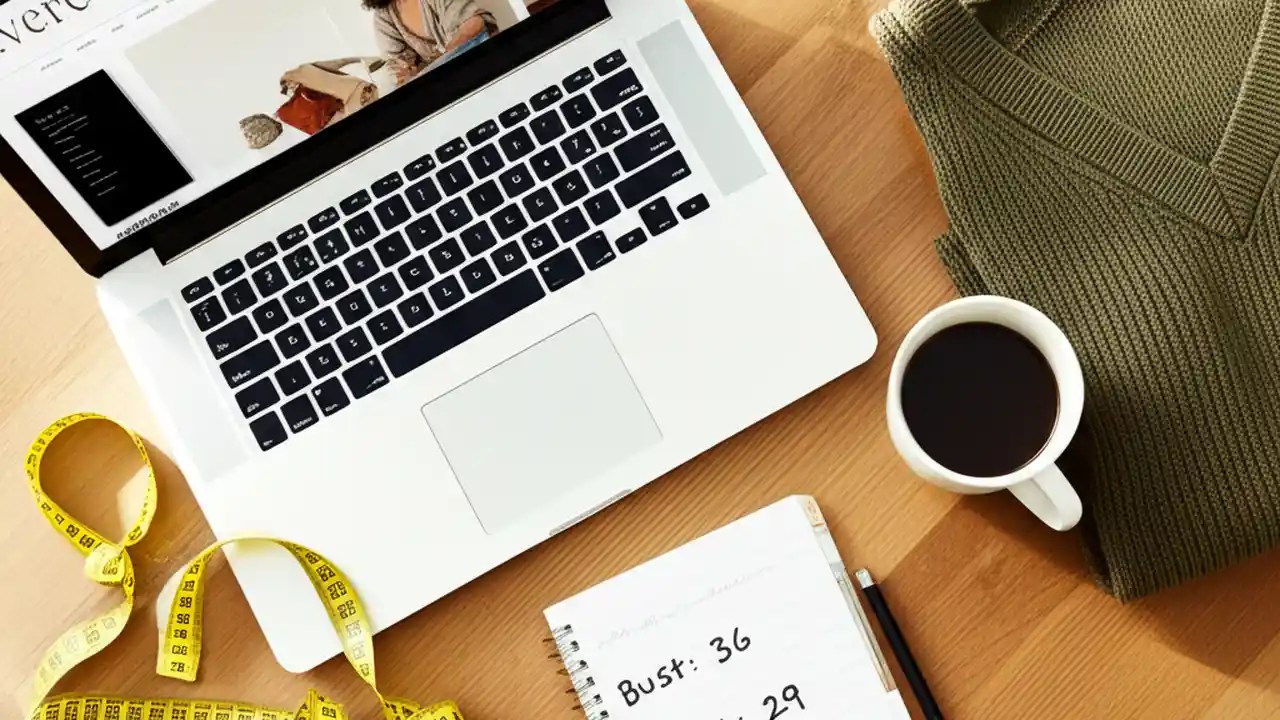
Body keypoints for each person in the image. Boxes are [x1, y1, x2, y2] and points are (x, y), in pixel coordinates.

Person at [365, 0, 496, 87]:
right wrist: (406, 73)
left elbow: (474, 24)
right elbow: (397, 71)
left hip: (482, 69)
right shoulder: (383, 16)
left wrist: (432, 65)